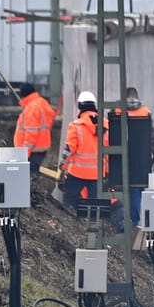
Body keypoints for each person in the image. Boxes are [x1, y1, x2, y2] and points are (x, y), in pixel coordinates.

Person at [59, 91, 125, 233]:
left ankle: (70, 228)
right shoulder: (106, 125)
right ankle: (96, 230)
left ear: (80, 107)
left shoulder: (76, 126)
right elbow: (109, 151)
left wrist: (62, 167)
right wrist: (107, 172)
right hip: (98, 174)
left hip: (77, 173)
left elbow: (69, 150)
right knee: (96, 205)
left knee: (69, 201)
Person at [110, 86, 154, 230]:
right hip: (140, 163)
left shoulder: (115, 112)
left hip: (118, 161)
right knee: (136, 191)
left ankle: (121, 222)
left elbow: (109, 137)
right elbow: (152, 138)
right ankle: (133, 222)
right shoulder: (145, 113)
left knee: (118, 190)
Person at [12, 83, 56, 173]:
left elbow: (31, 135)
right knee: (32, 176)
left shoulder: (32, 108)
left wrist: (24, 155)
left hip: (32, 151)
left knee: (28, 177)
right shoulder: (41, 103)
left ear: (24, 96)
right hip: (39, 149)